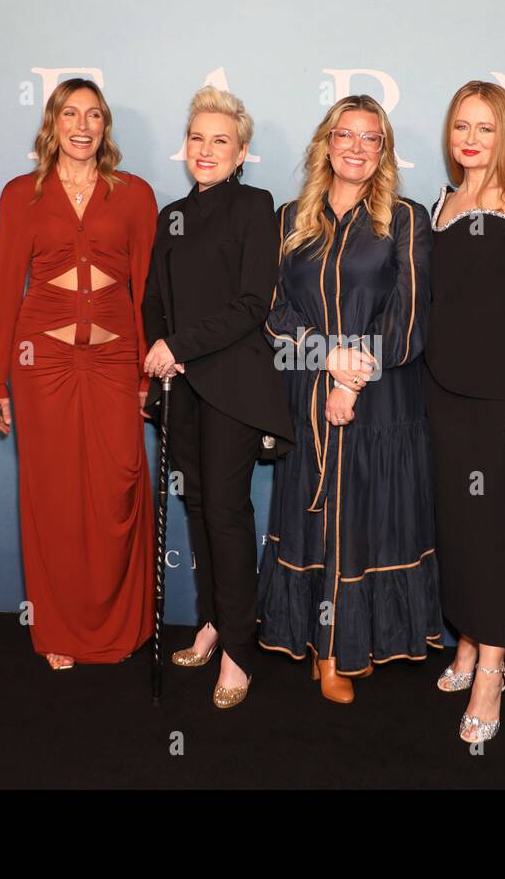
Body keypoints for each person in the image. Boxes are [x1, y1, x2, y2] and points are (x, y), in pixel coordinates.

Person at [256, 94, 443, 704]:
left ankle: (341, 651)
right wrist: (322, 356)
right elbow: (273, 313)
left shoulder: (406, 218)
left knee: (356, 520)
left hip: (379, 399)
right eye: (345, 135)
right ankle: (315, 643)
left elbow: (408, 321)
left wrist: (349, 379)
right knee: (314, 517)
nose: (356, 147)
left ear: (383, 151)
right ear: (325, 143)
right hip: (304, 389)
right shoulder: (289, 218)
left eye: (371, 138)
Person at [0, 78, 158, 670]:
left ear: (106, 127)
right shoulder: (20, 194)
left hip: (113, 363)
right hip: (40, 365)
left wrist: (145, 374)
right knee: (52, 498)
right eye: (70, 114)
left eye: (94, 115)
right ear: (52, 123)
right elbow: (5, 288)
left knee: (117, 488)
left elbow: (147, 290)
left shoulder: (134, 195)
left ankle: (120, 627)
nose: (82, 125)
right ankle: (58, 632)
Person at [141, 86, 294, 709]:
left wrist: (178, 345)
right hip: (179, 388)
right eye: (197, 139)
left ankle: (238, 647)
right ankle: (211, 620)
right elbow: (154, 295)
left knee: (227, 516)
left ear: (242, 151)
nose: (206, 151)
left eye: (220, 141)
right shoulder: (170, 213)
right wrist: (159, 348)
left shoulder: (256, 206)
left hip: (231, 384)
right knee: (198, 509)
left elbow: (252, 304)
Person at [423, 80, 505, 742]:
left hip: (497, 402)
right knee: (457, 526)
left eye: (484, 128)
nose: (470, 140)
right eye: (460, 128)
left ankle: (490, 674)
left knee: (492, 529)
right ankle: (470, 642)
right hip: (439, 391)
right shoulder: (442, 204)